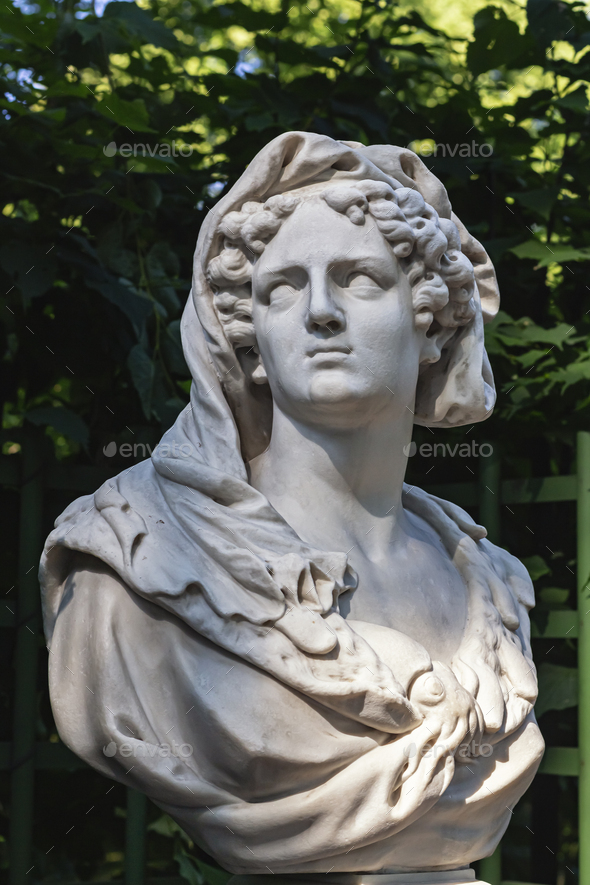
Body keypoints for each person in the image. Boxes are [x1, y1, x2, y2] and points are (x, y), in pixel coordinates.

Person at [40, 132, 544, 880]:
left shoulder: (492, 582)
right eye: (281, 288)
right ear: (249, 334)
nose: (318, 313)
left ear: (430, 318)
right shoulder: (141, 557)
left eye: (360, 280)